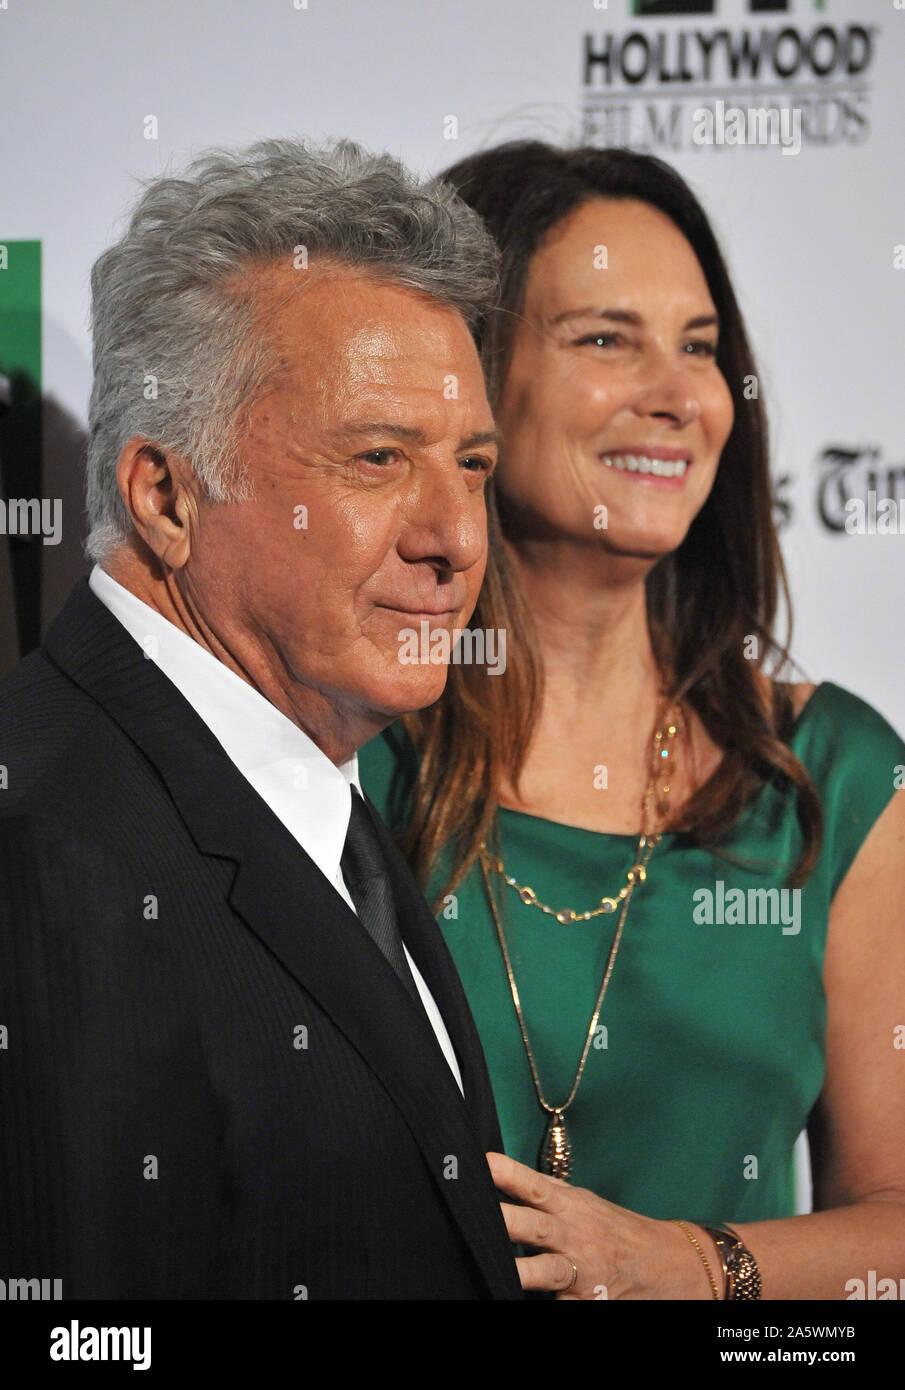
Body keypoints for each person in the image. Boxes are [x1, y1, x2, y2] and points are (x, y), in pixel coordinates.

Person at [359, 141, 905, 1300]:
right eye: (604, 338)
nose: (676, 393)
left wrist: (697, 1267)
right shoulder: (348, 755)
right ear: (471, 374)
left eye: (699, 347)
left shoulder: (835, 778)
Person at [0, 138, 523, 1300]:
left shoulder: (315, 785)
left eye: (474, 465)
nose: (455, 538)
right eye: (379, 458)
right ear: (166, 494)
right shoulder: (46, 855)